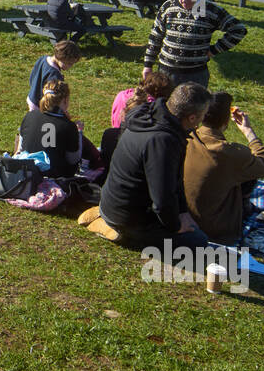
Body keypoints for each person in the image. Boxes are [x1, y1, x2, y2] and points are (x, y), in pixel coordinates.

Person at [88, 82, 212, 254]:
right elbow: (162, 198)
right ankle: (118, 231)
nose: (202, 121)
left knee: (190, 224)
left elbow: (175, 180)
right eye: (203, 115)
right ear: (192, 117)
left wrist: (183, 212)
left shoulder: (147, 113)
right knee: (198, 241)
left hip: (111, 201)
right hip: (126, 217)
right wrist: (176, 226)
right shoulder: (163, 141)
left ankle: (105, 218)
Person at [183, 92, 264, 244]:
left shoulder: (186, 138)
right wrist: (248, 131)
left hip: (183, 218)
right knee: (249, 174)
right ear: (225, 120)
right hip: (216, 230)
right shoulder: (231, 154)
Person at [142, 0, 247, 89]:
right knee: (163, 105)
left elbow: (238, 30)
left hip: (195, 75)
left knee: (194, 106)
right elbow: (155, 36)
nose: (184, 0)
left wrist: (214, 50)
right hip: (166, 72)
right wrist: (148, 65)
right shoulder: (168, 7)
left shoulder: (211, 11)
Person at [17, 79, 99, 179]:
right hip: (54, 176)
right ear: (65, 100)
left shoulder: (29, 116)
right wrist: (79, 133)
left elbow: (20, 148)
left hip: (27, 173)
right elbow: (73, 160)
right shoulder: (68, 126)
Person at [26, 39, 80, 111]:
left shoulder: (43, 59)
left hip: (32, 97)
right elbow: (55, 99)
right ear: (62, 57)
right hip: (42, 105)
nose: (71, 66)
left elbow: (32, 77)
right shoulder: (54, 75)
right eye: (69, 63)